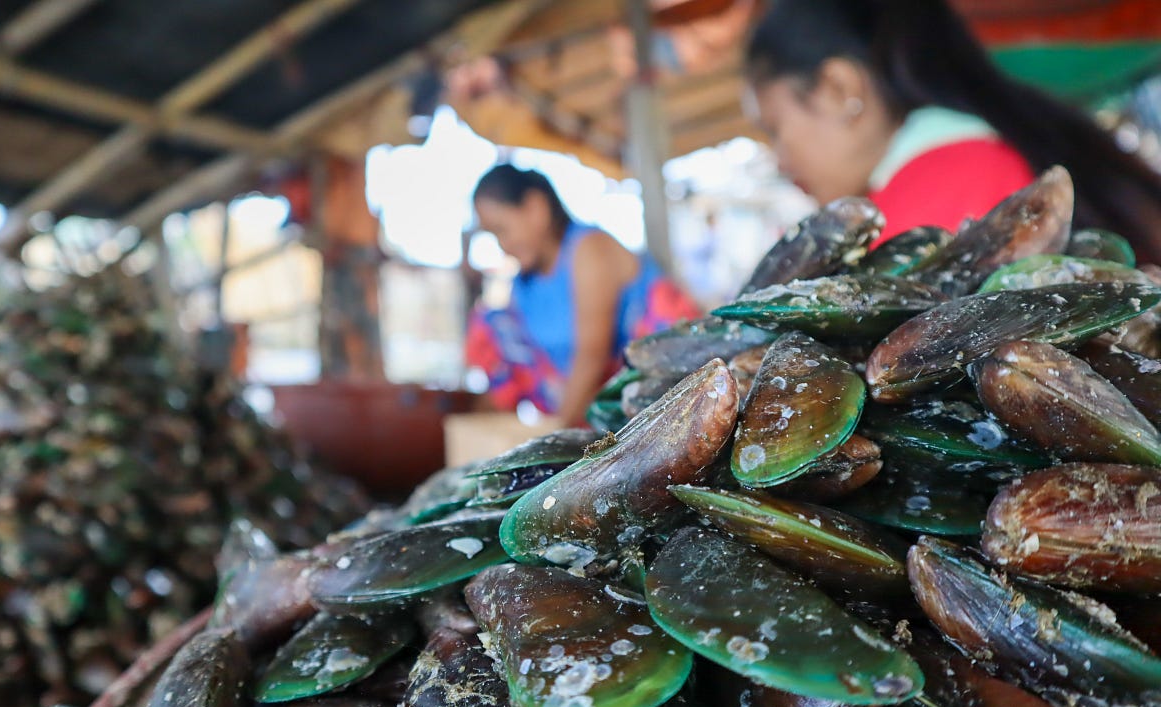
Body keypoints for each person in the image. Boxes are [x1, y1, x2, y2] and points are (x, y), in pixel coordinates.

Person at [743, 0, 1161, 260]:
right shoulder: (991, 144)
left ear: (839, 89)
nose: (779, 161)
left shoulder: (944, 186)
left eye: (775, 128)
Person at [465, 164, 701, 427]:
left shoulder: (588, 249)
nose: (503, 245)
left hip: (657, 391)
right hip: (581, 400)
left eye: (502, 230)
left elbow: (591, 357)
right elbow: (512, 366)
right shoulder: (522, 284)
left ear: (535, 208)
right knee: (489, 323)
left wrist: (555, 436)